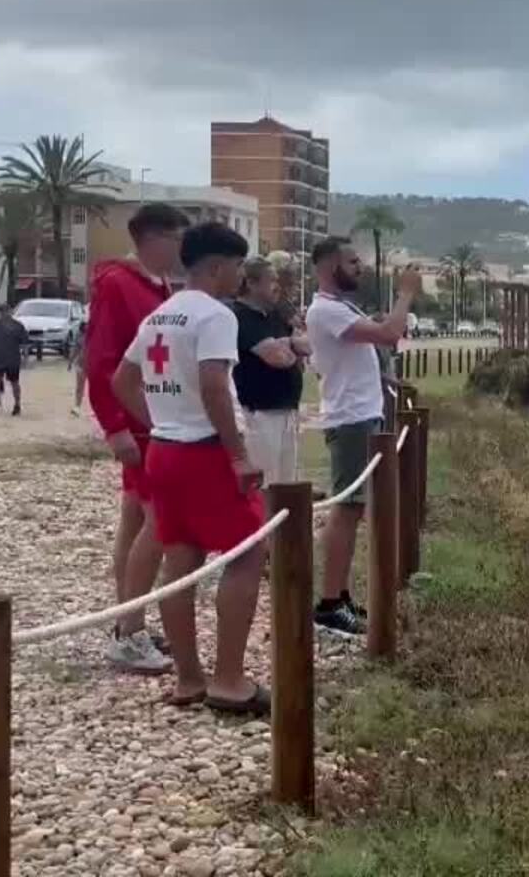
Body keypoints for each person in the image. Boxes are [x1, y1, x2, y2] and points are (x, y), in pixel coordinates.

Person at [112, 221, 269, 716]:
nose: (241, 275)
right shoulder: (216, 316)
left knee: (180, 561)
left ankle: (188, 677)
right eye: (239, 266)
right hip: (205, 452)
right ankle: (228, 680)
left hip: (164, 450)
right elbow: (214, 385)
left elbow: (123, 381)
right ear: (218, 266)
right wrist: (239, 454)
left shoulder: (161, 314)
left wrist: (160, 421)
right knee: (247, 553)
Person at [84, 202, 191, 674]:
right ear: (156, 238)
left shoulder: (160, 286)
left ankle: (130, 621)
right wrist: (115, 426)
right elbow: (103, 359)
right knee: (158, 524)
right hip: (141, 424)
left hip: (155, 418)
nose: (182, 250)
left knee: (134, 523)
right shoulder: (117, 285)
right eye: (177, 240)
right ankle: (129, 633)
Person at [305, 237, 421, 637]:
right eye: (352, 261)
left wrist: (383, 377)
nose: (360, 267)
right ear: (327, 266)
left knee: (354, 510)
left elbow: (355, 356)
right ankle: (329, 604)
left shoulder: (339, 309)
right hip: (351, 419)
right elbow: (390, 332)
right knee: (347, 508)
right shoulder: (325, 310)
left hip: (362, 414)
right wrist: (406, 294)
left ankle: (341, 595)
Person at [231, 257, 307, 487]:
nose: (277, 285)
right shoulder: (240, 316)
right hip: (258, 416)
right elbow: (279, 358)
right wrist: (290, 346)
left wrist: (287, 345)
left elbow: (305, 347)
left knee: (285, 487)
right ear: (251, 284)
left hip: (287, 413)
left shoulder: (274, 316)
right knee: (264, 487)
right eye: (271, 280)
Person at [0, 303, 27, 416]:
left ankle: (16, 404)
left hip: (9, 359)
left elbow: (24, 344)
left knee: (12, 383)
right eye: (2, 311)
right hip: (0, 358)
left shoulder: (17, 326)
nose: (4, 313)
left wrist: (25, 358)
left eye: (5, 311)